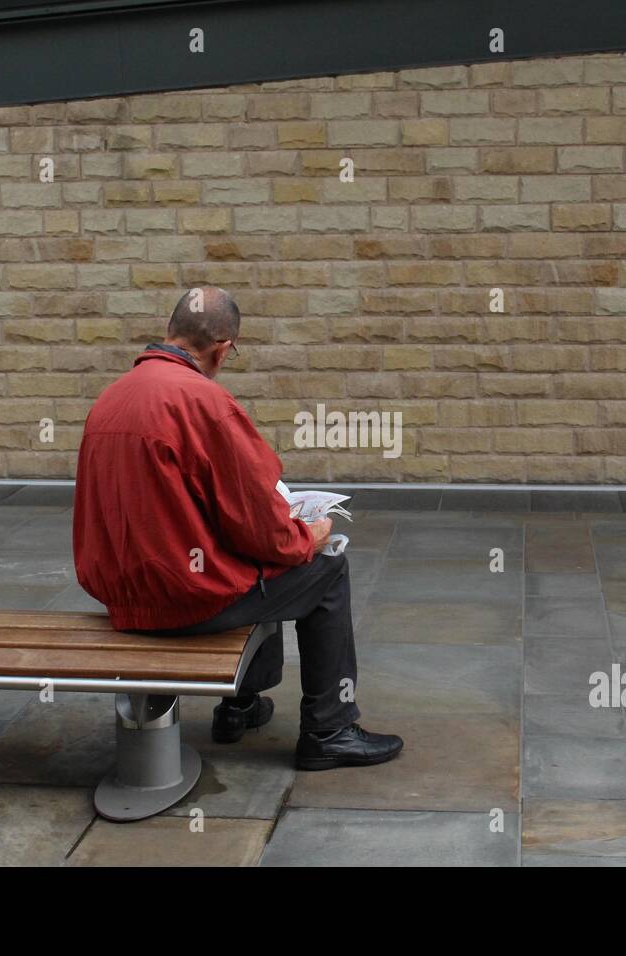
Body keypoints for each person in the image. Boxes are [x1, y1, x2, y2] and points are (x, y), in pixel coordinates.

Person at [73, 285, 403, 771]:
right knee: (322, 567)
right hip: (184, 600)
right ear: (224, 348)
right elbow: (260, 527)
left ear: (170, 331)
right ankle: (329, 730)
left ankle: (241, 706)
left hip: (123, 598)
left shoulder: (112, 397)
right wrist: (307, 534)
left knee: (254, 561)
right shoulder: (205, 403)